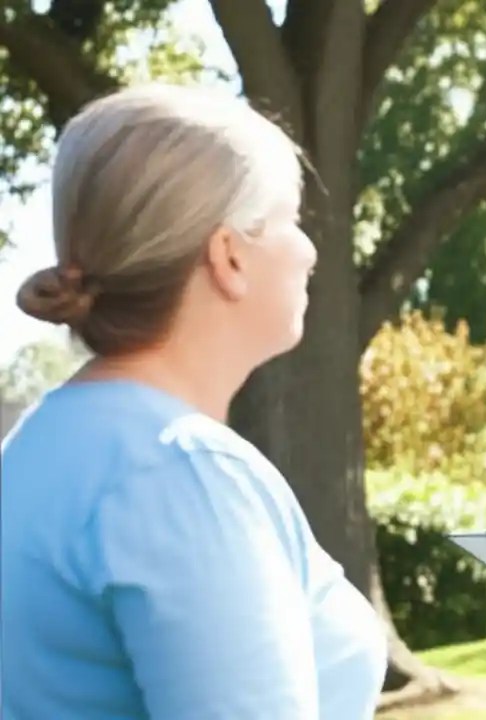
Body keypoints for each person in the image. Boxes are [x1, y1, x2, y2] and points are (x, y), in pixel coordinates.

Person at [0, 83, 387, 719]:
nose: (310, 249)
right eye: (289, 219)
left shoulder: (34, 448)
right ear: (228, 255)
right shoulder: (184, 476)